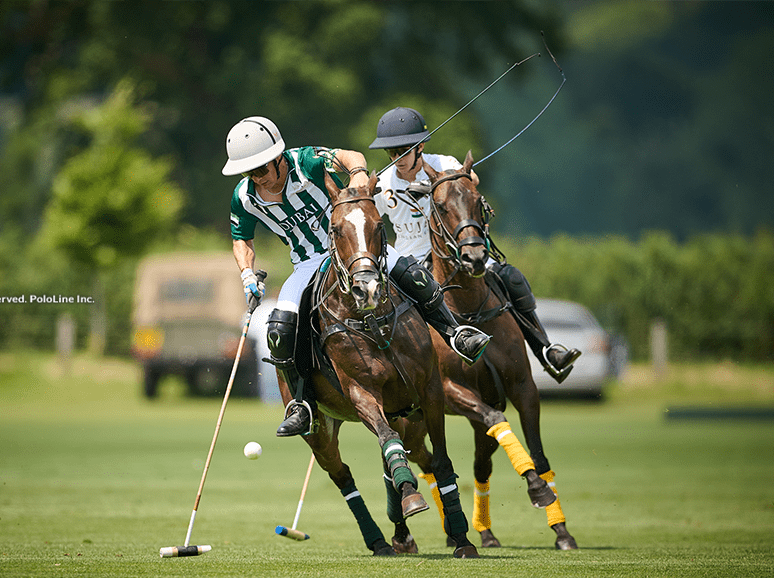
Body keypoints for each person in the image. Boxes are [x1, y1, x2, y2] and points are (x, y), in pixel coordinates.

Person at [222, 116, 492, 437]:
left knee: (413, 274)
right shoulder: (245, 196)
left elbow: (352, 157)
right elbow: (241, 238)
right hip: (307, 263)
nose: (258, 178)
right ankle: (302, 403)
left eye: (262, 169)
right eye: (249, 172)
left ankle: (455, 333)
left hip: (355, 247)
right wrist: (247, 276)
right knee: (280, 330)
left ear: (279, 158)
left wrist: (358, 177)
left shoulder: (305, 161)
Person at [368, 107, 581, 382]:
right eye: (390, 153)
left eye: (402, 151)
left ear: (420, 147)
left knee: (510, 277)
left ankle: (546, 350)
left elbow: (472, 182)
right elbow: (367, 214)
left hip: (452, 251)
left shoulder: (442, 162)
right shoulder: (384, 182)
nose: (396, 159)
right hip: (409, 256)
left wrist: (439, 184)